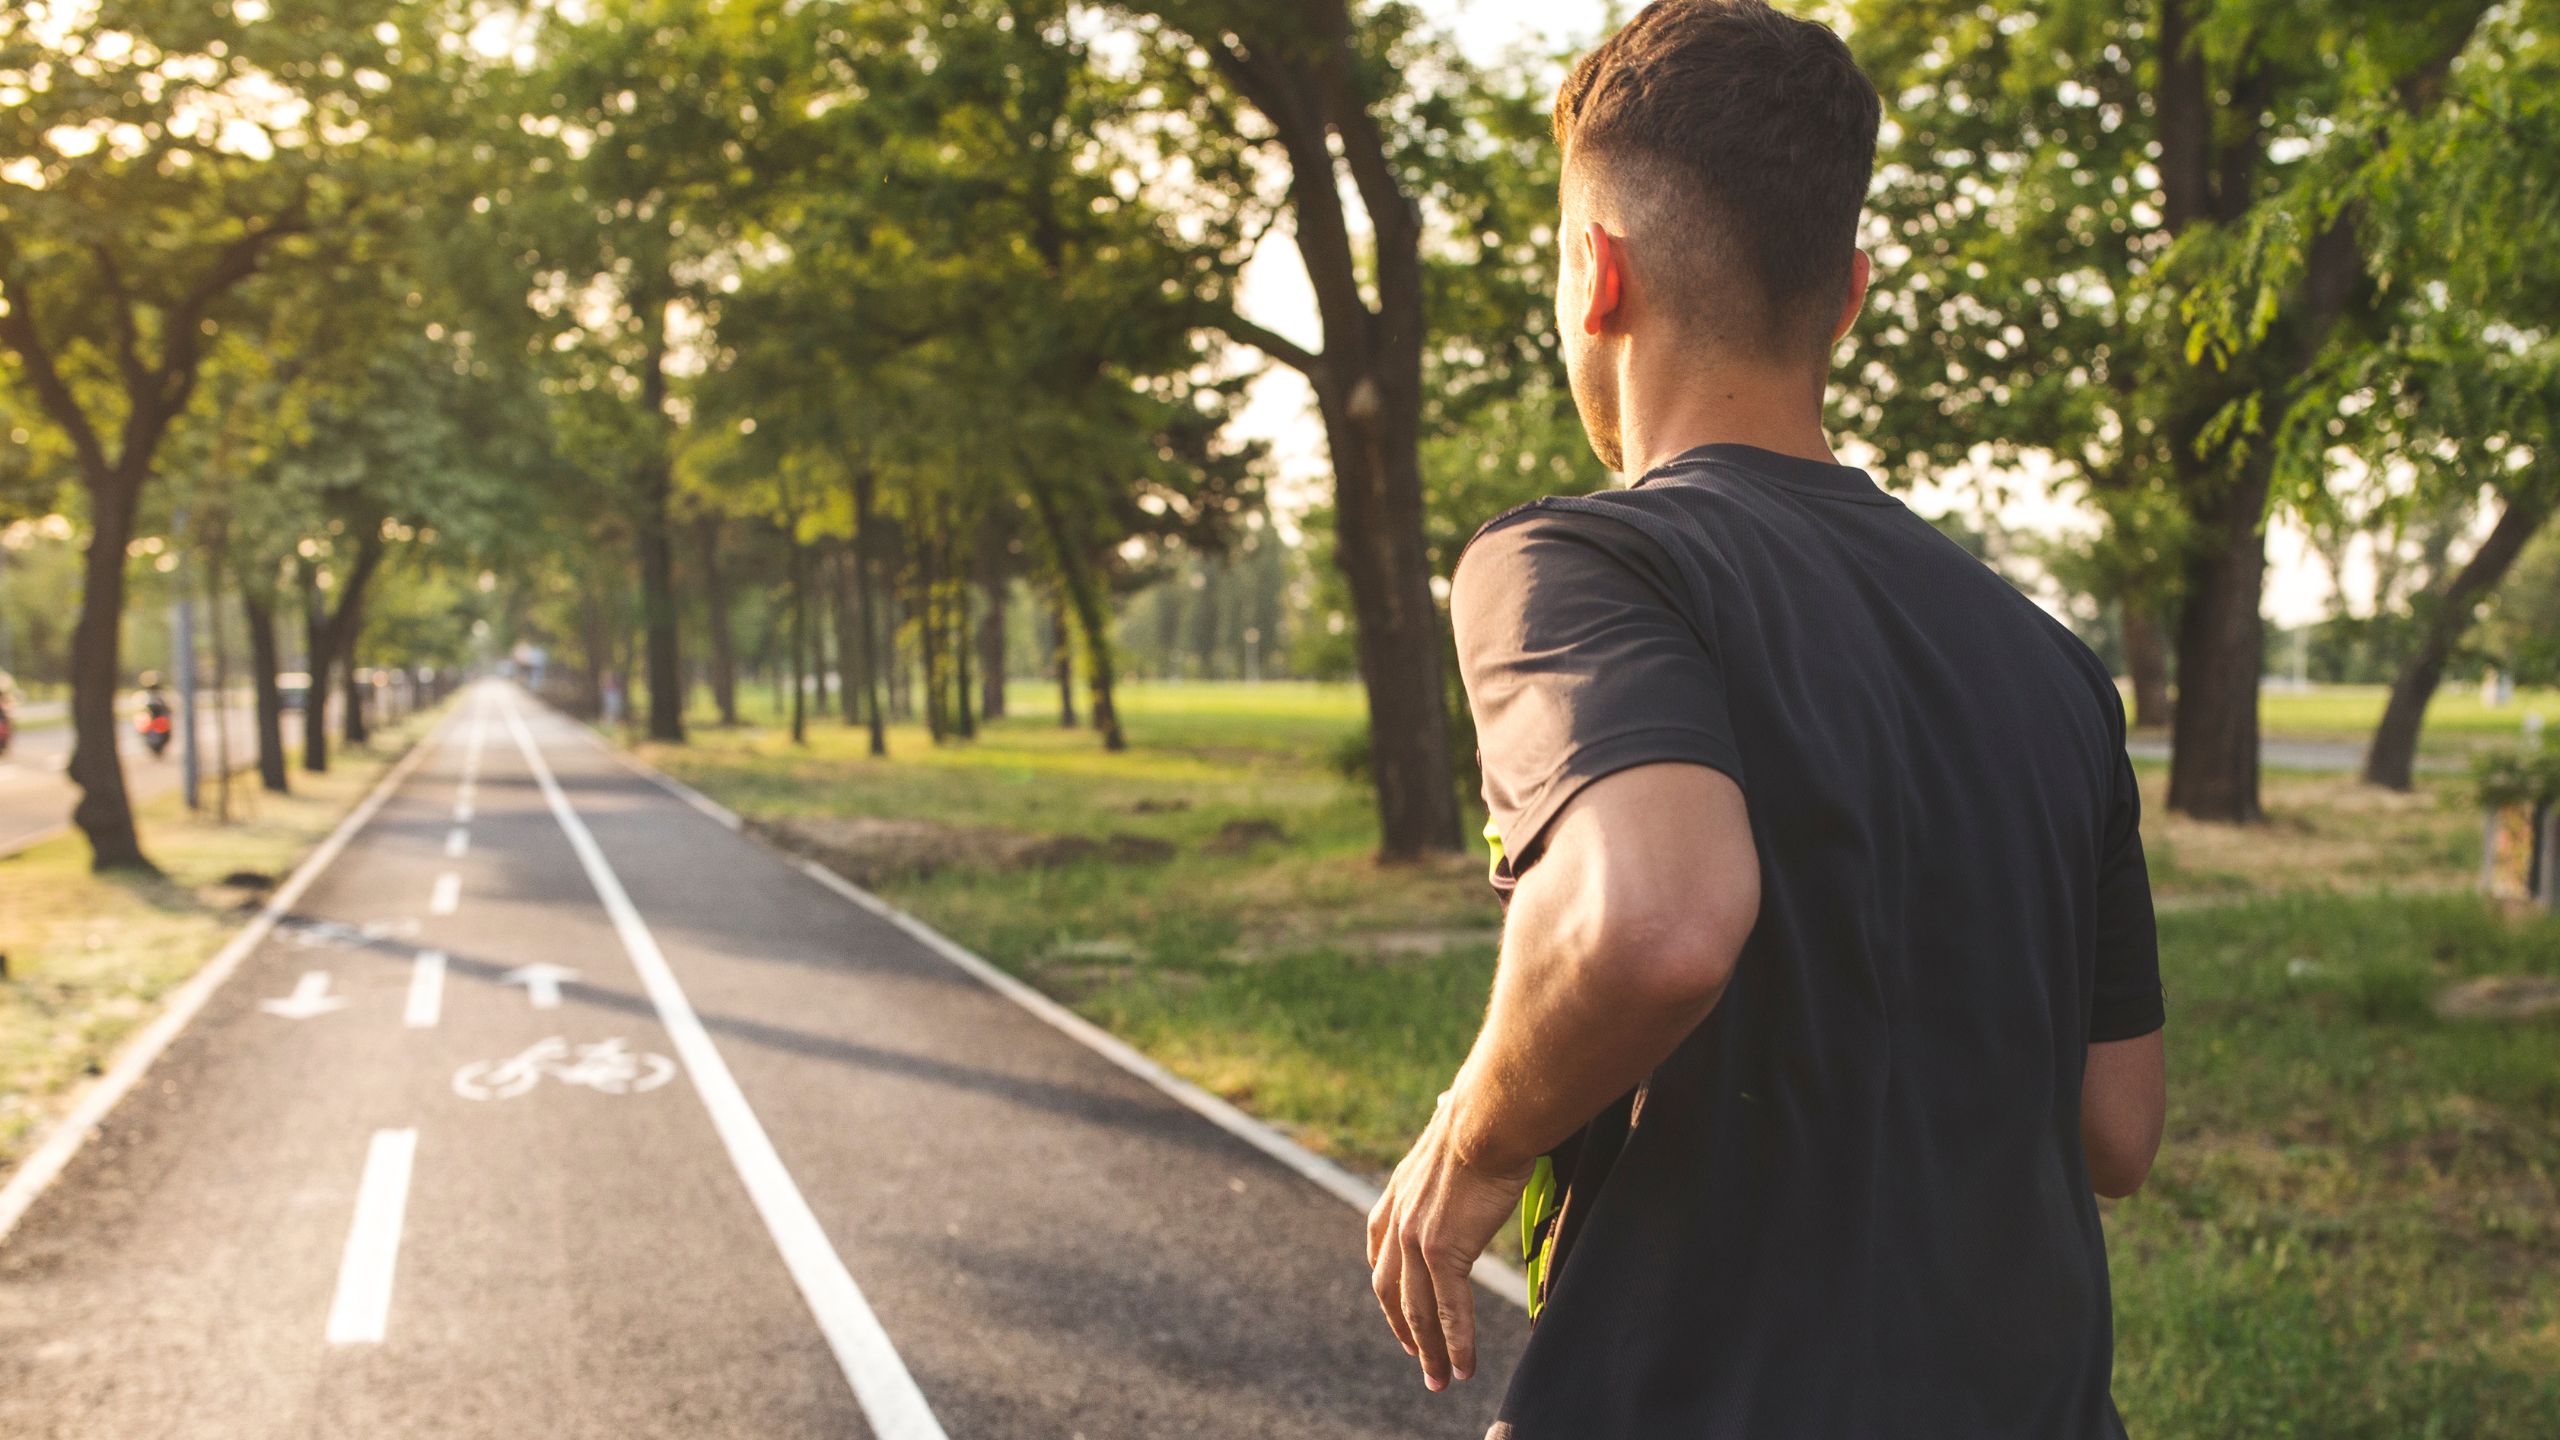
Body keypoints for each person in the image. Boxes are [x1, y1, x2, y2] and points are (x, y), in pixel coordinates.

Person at [1362, 4, 2167, 1437]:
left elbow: (1655, 925)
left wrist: (1474, 1141)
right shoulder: (2053, 668)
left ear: (1592, 272)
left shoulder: (1577, 565)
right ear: (1847, 293)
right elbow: (2118, 1131)